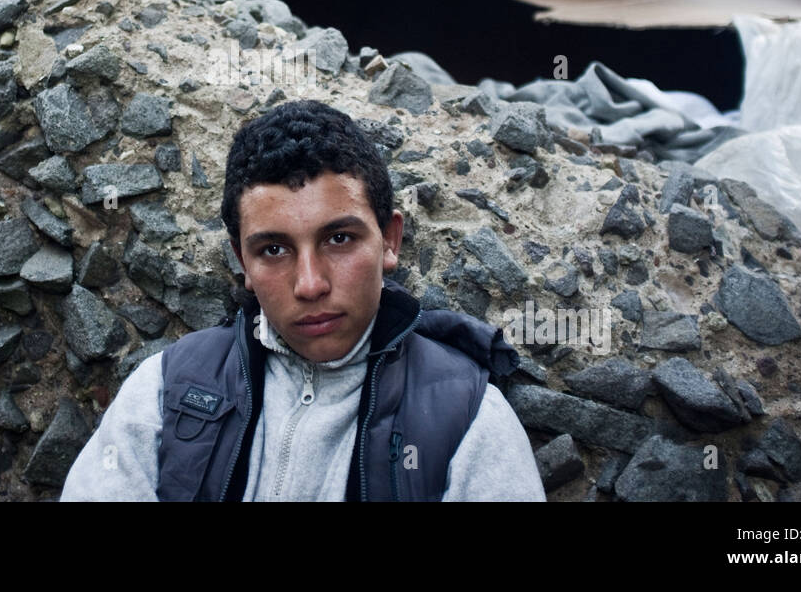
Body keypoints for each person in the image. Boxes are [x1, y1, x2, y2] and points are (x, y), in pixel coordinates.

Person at [60, 99, 546, 501]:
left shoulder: (469, 422)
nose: (310, 284)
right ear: (242, 261)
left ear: (390, 240)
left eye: (339, 240)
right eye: (274, 250)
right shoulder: (165, 390)